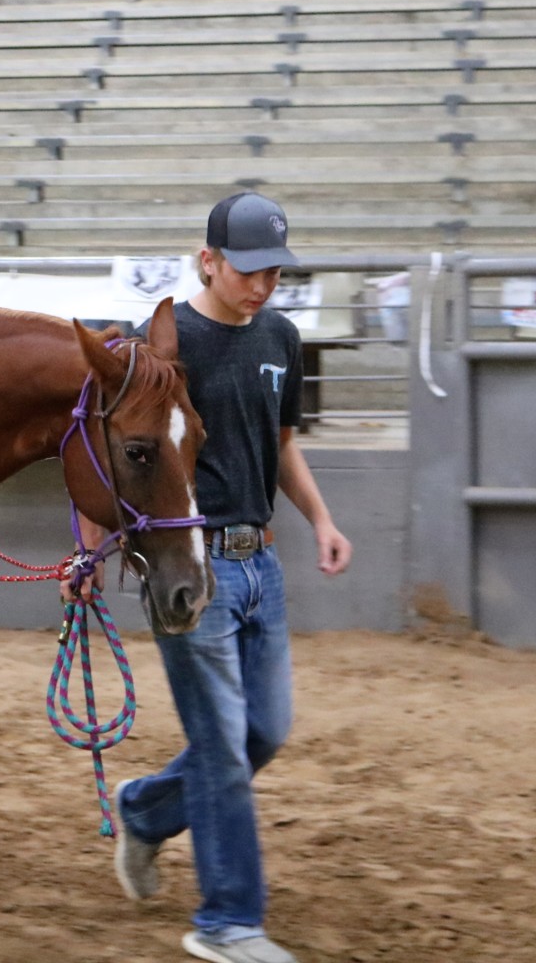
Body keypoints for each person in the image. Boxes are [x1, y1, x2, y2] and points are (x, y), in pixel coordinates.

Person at [72, 192, 352, 963]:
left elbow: (282, 443)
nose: (261, 286)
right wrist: (88, 549)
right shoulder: (165, 345)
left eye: (273, 273)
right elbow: (111, 448)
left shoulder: (281, 337)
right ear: (208, 261)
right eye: (247, 270)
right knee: (224, 745)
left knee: (263, 733)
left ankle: (147, 810)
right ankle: (229, 921)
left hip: (261, 560)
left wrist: (322, 520)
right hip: (189, 566)